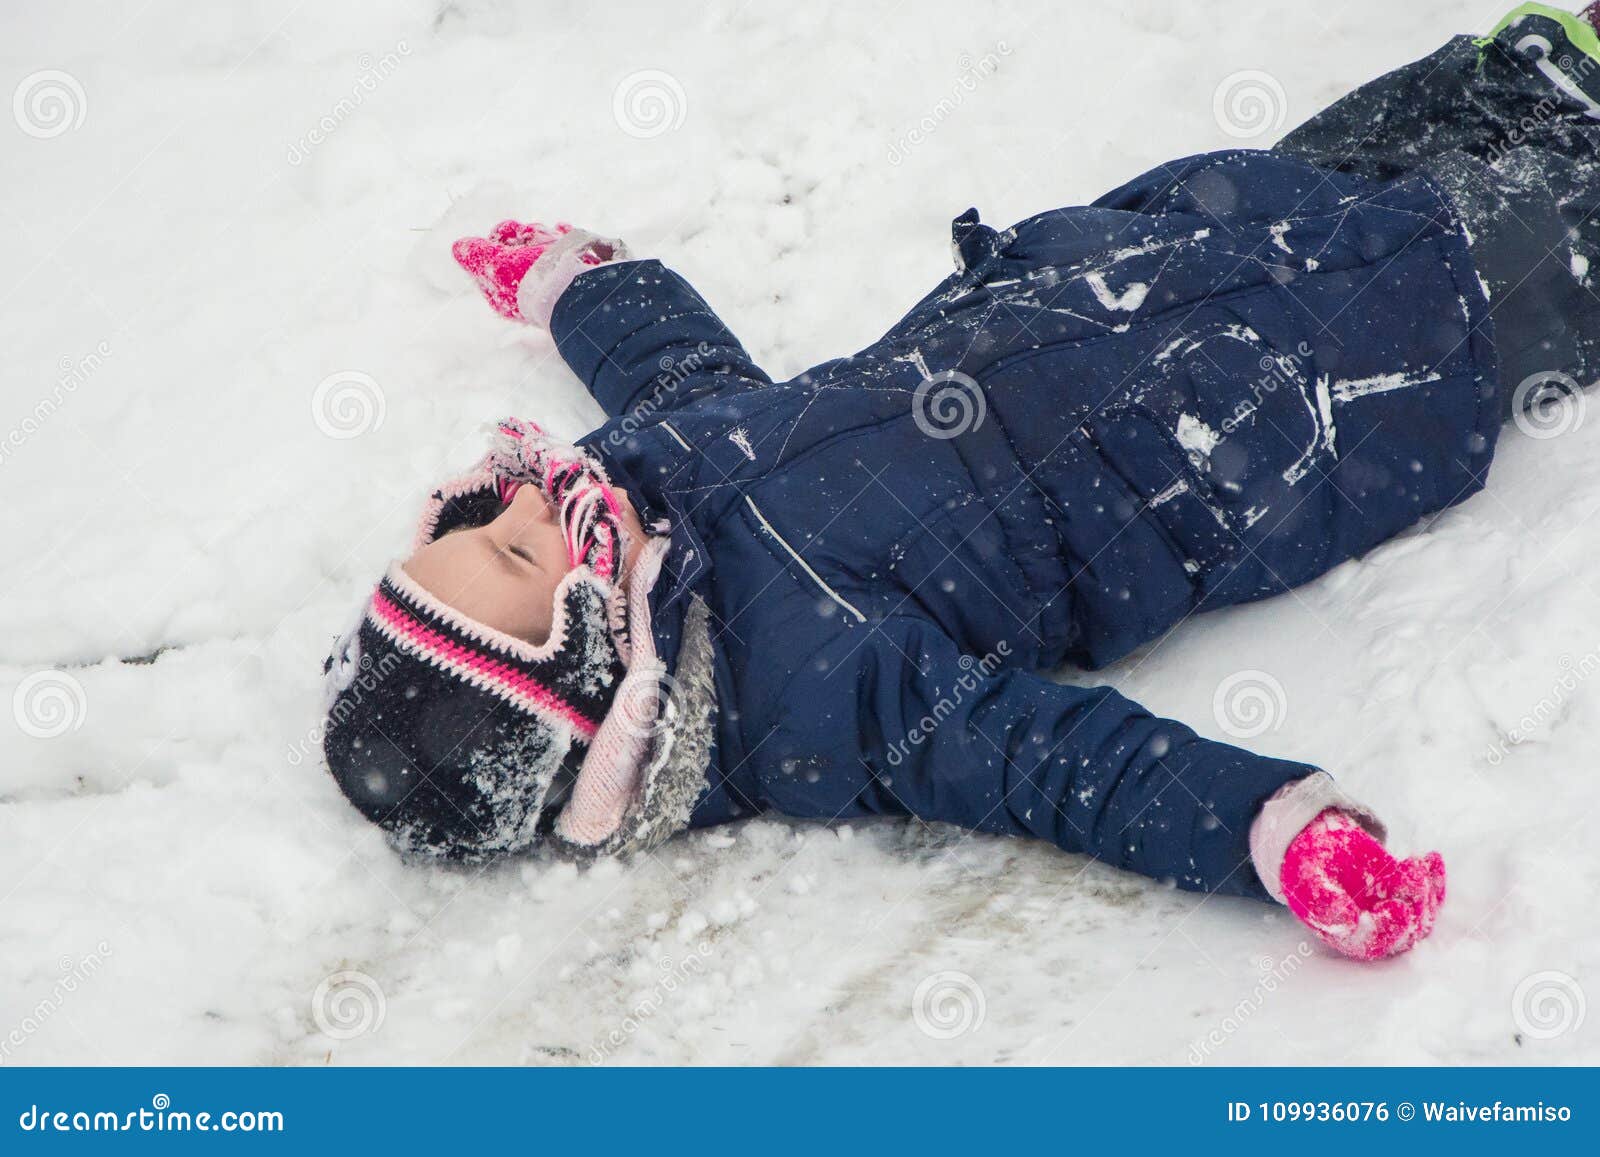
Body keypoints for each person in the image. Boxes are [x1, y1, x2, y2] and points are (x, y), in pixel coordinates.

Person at [320, 2, 1600, 962]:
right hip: (1297, 400)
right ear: (590, 672)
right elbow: (1052, 763)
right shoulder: (816, 695)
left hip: (1147, 253)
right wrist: (1270, 828)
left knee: (1436, 122)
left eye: (477, 520)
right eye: (515, 556)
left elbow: (675, 359)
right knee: (1532, 232)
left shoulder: (649, 472)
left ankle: (1547, 61)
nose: (525, 502)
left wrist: (573, 280)